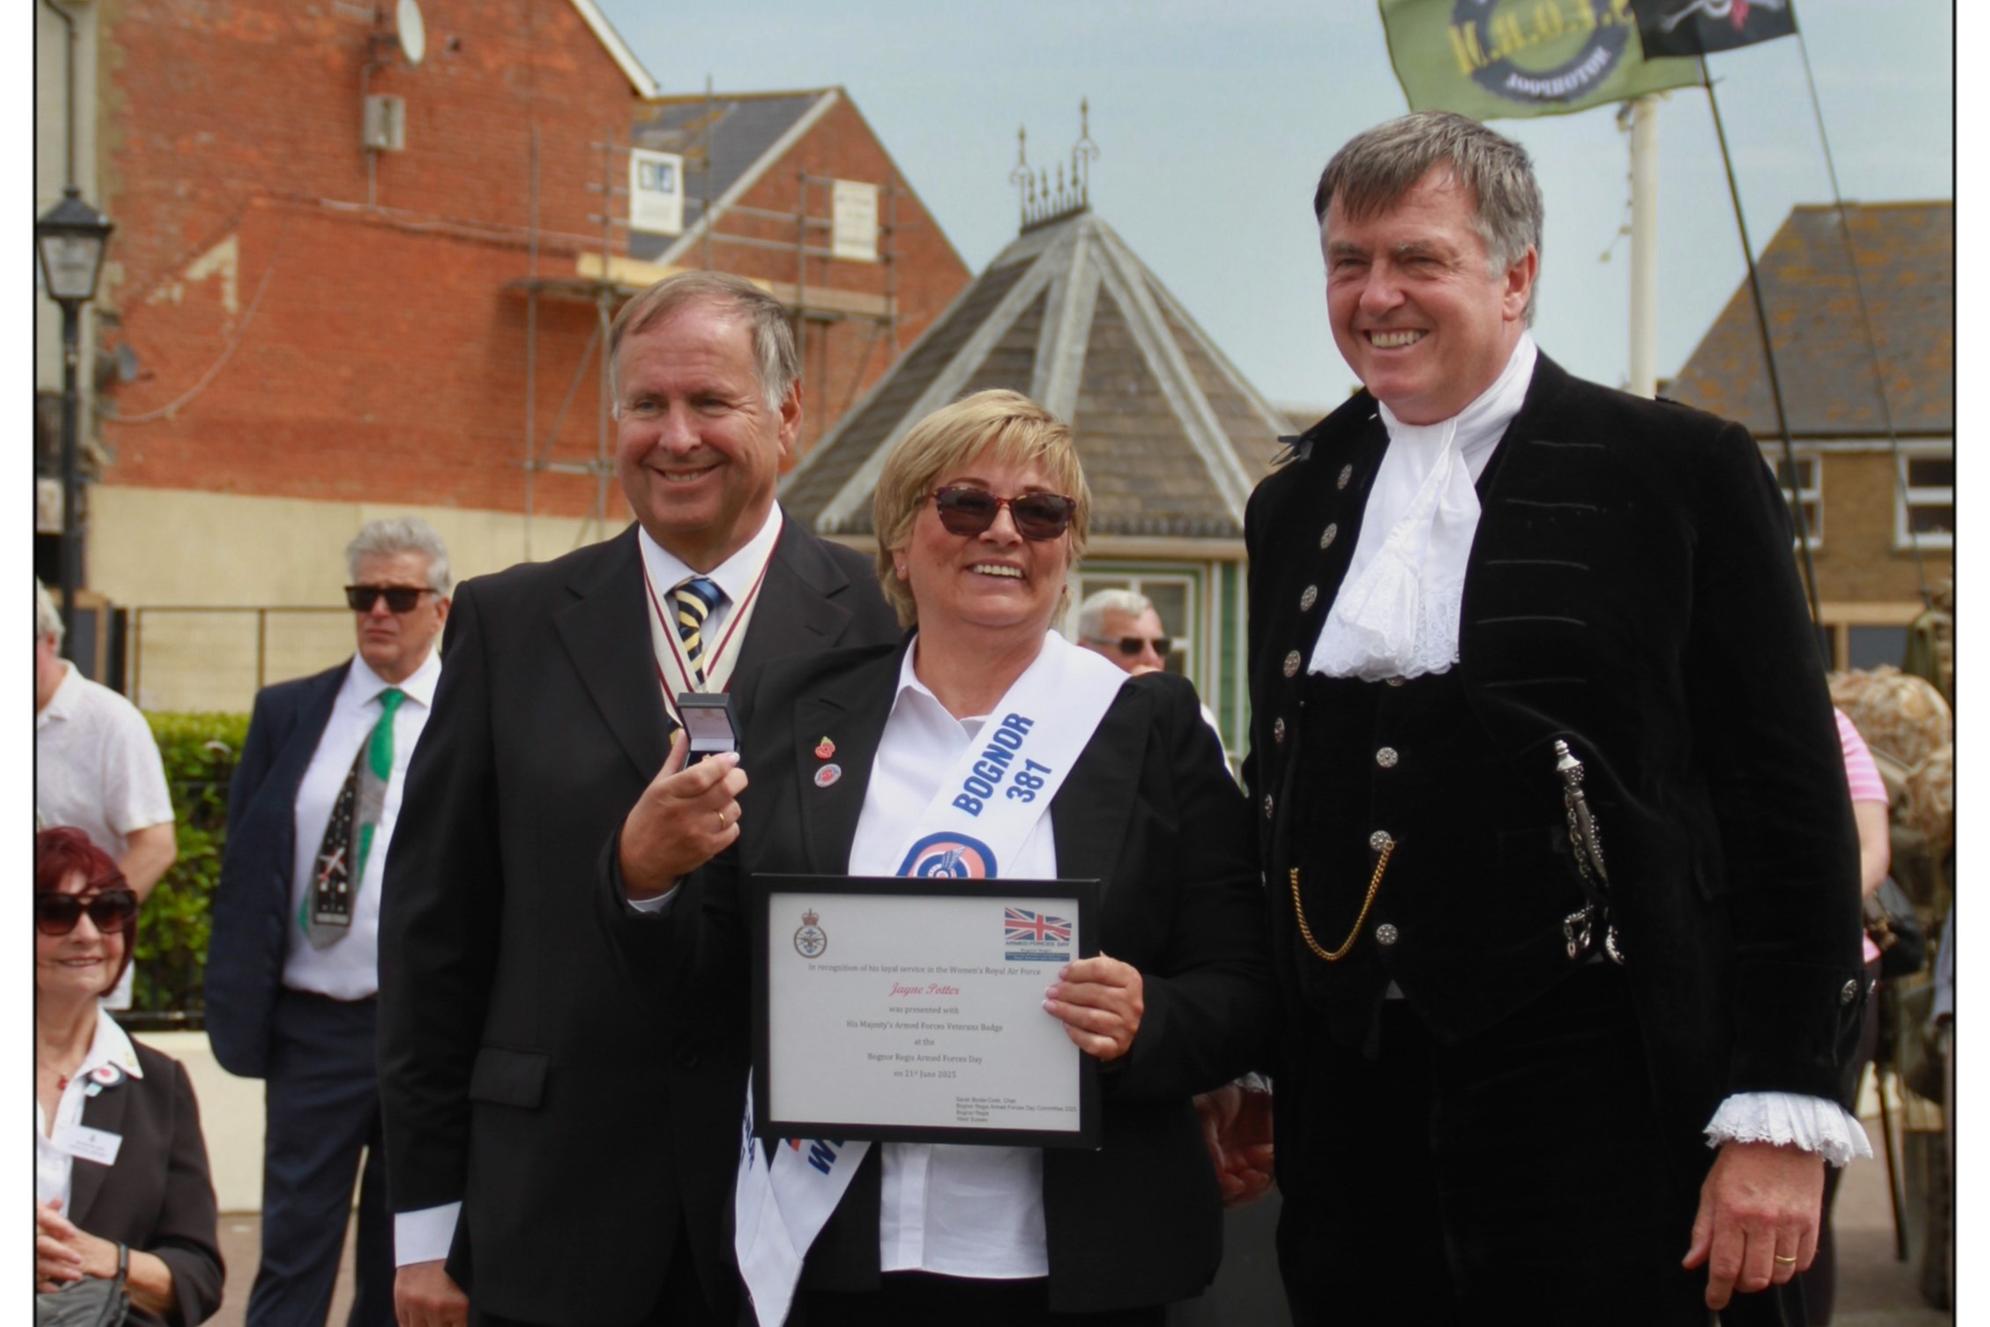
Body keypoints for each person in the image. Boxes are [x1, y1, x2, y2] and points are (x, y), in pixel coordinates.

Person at [1240, 112, 1868, 1324]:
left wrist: (1782, 1112)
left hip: (1614, 1102)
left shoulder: (1677, 472)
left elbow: (1788, 809)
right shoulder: (1296, 500)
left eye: (1418, 259)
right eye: (1347, 262)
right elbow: (1285, 805)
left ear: (1514, 275)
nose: (1377, 296)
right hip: (1360, 1127)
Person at [605, 388, 1275, 1326]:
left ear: (1067, 549)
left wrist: (1147, 1018)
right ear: (899, 539)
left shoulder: (1150, 727)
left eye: (1041, 511)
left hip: (1078, 1263)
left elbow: (1245, 986)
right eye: (966, 503)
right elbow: (707, 978)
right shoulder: (798, 713)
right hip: (836, 1256)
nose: (1004, 530)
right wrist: (644, 877)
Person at [377, 271, 901, 1326]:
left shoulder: (884, 624)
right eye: (644, 405)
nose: (674, 437)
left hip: (803, 1225)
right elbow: (433, 939)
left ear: (788, 414)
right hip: (551, 1215)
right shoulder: (507, 624)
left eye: (711, 403)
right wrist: (426, 1227)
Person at [204, 518, 453, 1326]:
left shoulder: (467, 718)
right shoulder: (289, 712)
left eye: (400, 595)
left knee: (403, 1261)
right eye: (363, 595)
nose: (379, 610)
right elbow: (248, 867)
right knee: (293, 1250)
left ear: (440, 608)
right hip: (311, 1030)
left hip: (421, 1033)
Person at [35, 827, 224, 1326]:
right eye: (56, 913)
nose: (88, 934)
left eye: (108, 911)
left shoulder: (160, 1085)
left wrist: (106, 1260)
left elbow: (198, 1275)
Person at [36, 577, 177, 1010]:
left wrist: (79, 924)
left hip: (80, 983)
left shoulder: (110, 721)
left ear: (51, 639)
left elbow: (155, 846)